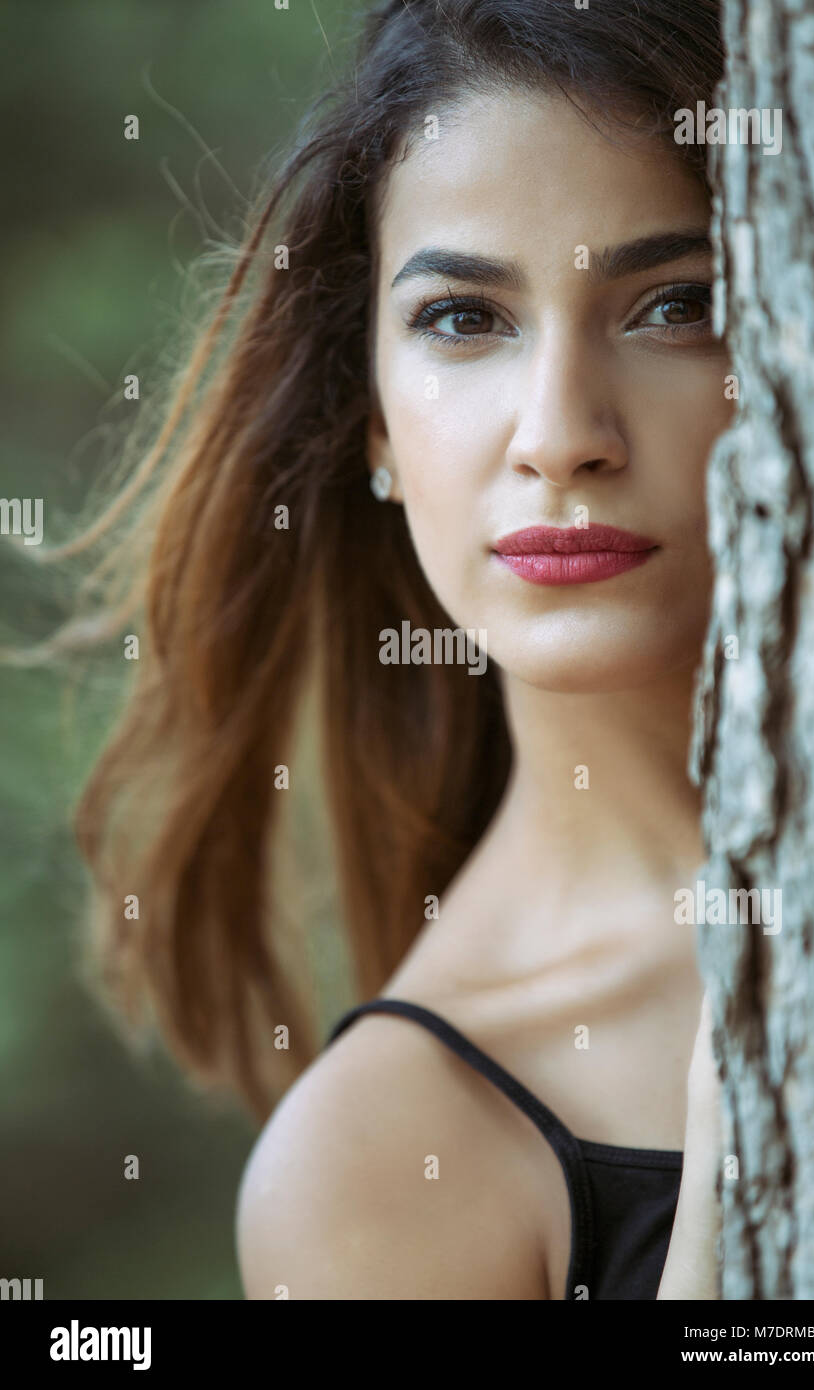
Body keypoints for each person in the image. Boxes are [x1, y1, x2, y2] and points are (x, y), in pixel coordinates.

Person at [71, 0, 731, 1299]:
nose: (559, 433)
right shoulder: (380, 1163)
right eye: (464, 319)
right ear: (373, 422)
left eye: (674, 304)